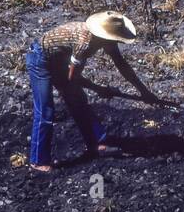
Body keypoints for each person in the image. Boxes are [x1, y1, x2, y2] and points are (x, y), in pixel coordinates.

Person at [26, 11, 165, 172]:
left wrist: (144, 92)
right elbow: (73, 78)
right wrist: (99, 88)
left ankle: (97, 143)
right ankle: (38, 160)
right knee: (45, 110)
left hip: (59, 60)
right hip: (40, 59)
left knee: (78, 101)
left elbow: (122, 66)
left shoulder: (108, 41)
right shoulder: (85, 42)